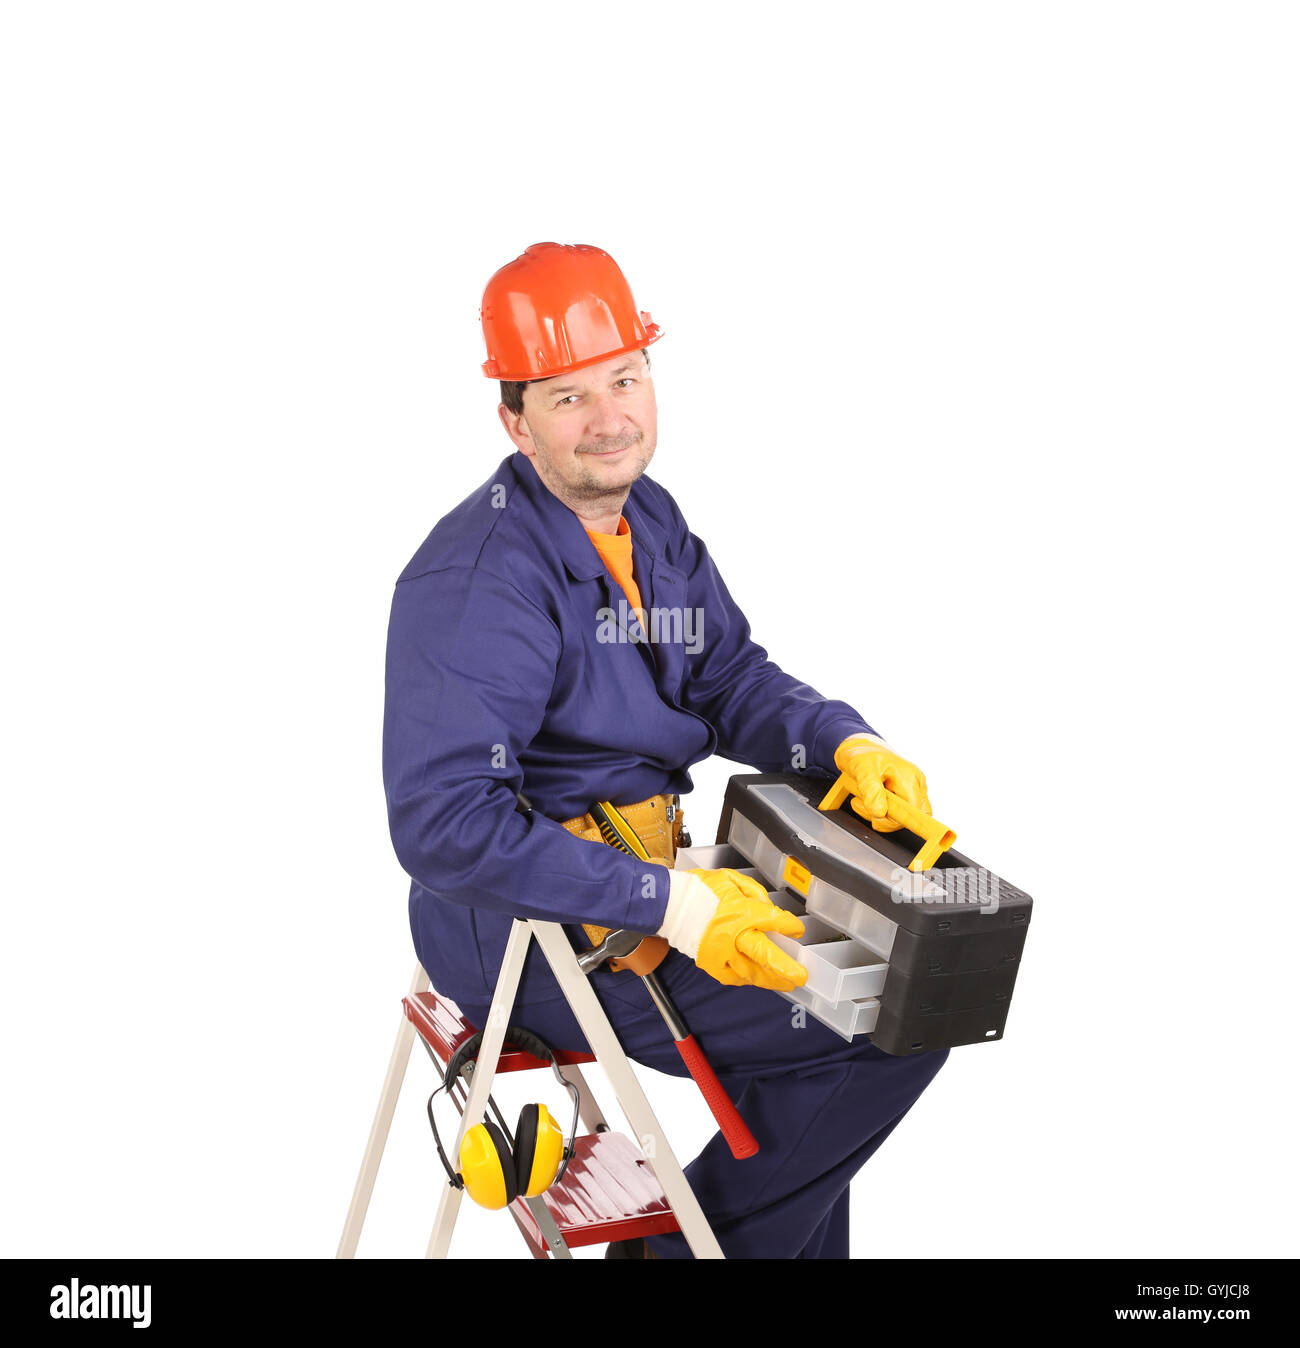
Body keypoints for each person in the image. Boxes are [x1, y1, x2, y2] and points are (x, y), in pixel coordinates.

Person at [382, 241, 949, 1258]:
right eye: (567, 397)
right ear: (513, 419)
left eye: (626, 377)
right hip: (520, 924)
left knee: (906, 987)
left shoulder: (648, 517)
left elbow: (722, 674)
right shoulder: (478, 581)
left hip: (631, 885)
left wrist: (840, 738)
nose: (611, 418)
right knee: (876, 1023)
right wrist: (677, 906)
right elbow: (446, 824)